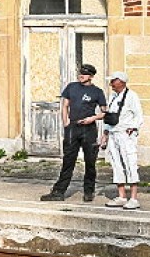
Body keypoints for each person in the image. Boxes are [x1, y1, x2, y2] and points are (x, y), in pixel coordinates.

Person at [40, 64, 109, 202]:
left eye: (84, 74)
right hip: (73, 127)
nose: (81, 76)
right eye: (80, 73)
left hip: (89, 129)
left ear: (91, 76)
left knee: (90, 162)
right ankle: (58, 192)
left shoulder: (97, 92)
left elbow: (104, 112)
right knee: (68, 160)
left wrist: (93, 118)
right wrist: (66, 123)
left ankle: (89, 191)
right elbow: (65, 105)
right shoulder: (72, 87)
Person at [99, 70, 143, 209]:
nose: (111, 84)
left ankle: (134, 198)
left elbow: (139, 116)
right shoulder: (113, 96)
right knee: (116, 164)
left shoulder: (132, 96)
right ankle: (122, 195)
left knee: (130, 163)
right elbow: (109, 115)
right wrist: (105, 133)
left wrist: (133, 127)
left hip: (125, 135)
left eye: (113, 81)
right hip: (113, 134)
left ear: (121, 82)